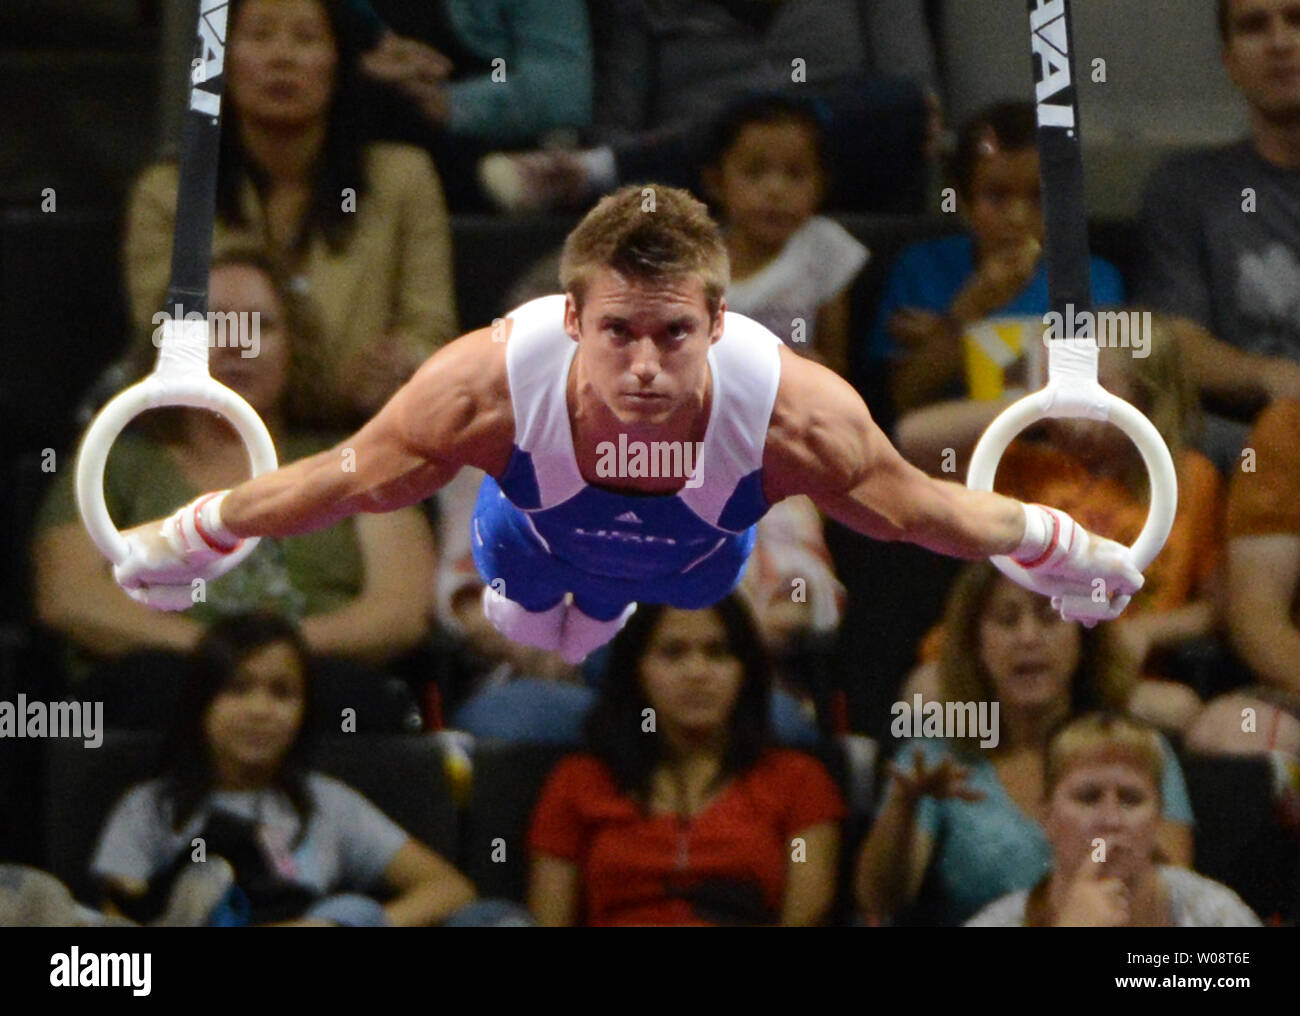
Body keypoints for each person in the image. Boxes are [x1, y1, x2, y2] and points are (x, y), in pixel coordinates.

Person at [111, 185, 1145, 668]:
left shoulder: (792, 406)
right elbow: (341, 479)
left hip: (700, 561)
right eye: (616, 333)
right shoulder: (484, 385)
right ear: (568, 318)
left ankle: (603, 601)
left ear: (720, 320)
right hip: (535, 545)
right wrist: (196, 528)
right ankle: (562, 608)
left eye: (673, 332)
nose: (645, 367)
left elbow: (919, 513)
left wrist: (1056, 544)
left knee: (680, 583)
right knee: (538, 620)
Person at [33, 252, 437, 673]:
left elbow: (401, 613)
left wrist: (275, 664)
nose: (236, 343)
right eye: (213, 324)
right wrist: (217, 660)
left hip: (322, 689)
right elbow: (69, 596)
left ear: (295, 347)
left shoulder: (356, 457)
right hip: (162, 685)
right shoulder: (117, 460)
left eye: (260, 326)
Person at [124, 0, 458, 427]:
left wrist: (398, 365)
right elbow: (165, 340)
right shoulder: (168, 193)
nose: (282, 57)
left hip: (362, 437)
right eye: (260, 35)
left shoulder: (403, 179)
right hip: (213, 438)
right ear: (220, 60)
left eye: (306, 38)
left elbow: (430, 330)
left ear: (340, 61)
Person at [894, 323, 1222, 730]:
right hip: (1000, 670)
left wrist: (1147, 633)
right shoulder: (1021, 464)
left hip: (1108, 675)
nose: (1075, 410)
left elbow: (1217, 607)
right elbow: (913, 437)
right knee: (925, 694)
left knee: (1178, 708)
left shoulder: (1187, 479)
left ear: (1144, 394)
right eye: (1058, 385)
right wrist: (1042, 403)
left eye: (1097, 385)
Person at [90, 613, 486, 926]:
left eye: (281, 693)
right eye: (238, 689)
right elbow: (118, 918)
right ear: (201, 704)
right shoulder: (149, 807)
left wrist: (342, 926)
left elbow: (450, 888)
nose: (260, 711)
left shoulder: (328, 803)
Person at [854, 562, 1194, 927]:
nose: (1027, 637)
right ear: (976, 643)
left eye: (1049, 618)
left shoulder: (1137, 750)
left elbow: (1172, 895)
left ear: (1085, 636)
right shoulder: (937, 754)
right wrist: (905, 809)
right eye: (1006, 620)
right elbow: (879, 901)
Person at [526, 596, 844, 925]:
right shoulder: (578, 782)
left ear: (745, 671)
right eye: (673, 653)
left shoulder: (799, 781)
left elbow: (805, 916)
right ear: (636, 670)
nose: (697, 672)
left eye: (717, 653)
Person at [477, 0, 941, 215]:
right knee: (725, 144)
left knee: (902, 107)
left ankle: (589, 172)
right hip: (701, 183)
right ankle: (621, 166)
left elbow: (919, 105)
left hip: (835, 158)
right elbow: (616, 125)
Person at [867, 101, 1125, 415]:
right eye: (997, 196)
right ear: (963, 201)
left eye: (1038, 197)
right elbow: (901, 400)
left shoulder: (1092, 278)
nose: (1017, 217)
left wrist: (942, 338)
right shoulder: (919, 268)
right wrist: (968, 310)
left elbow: (1091, 391)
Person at [1134, 0, 1300, 472]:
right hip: (1238, 446)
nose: (1280, 42)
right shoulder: (1185, 188)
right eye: (1253, 26)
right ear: (1228, 60)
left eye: (1297, 19)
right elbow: (1174, 344)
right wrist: (1270, 376)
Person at [966, 712, 1261, 927]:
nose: (1110, 820)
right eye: (1088, 797)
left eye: (1131, 799)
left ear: (1158, 817)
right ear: (1046, 816)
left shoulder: (1214, 915)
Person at [699, 94, 868, 379]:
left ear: (821, 185)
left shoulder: (824, 246)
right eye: (755, 173)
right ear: (716, 182)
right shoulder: (695, 257)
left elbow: (836, 365)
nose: (775, 191)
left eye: (795, 174)